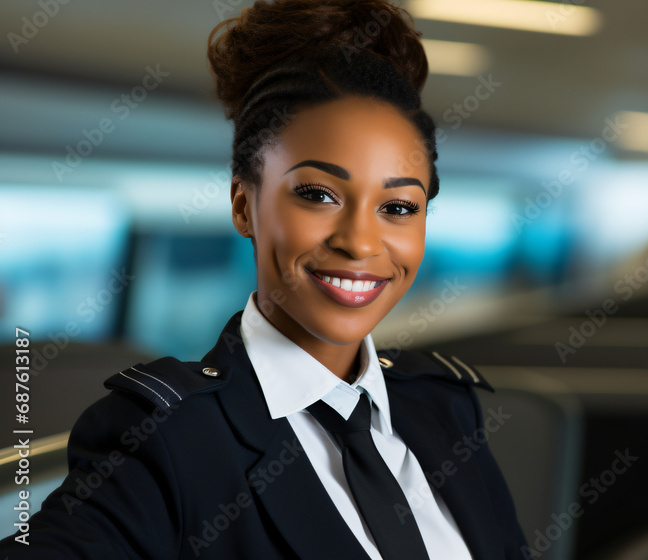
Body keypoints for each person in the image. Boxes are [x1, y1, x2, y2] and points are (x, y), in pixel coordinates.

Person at [0, 0, 527, 558]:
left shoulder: (444, 406)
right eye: (318, 195)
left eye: (397, 207)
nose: (360, 242)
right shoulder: (166, 437)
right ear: (243, 204)